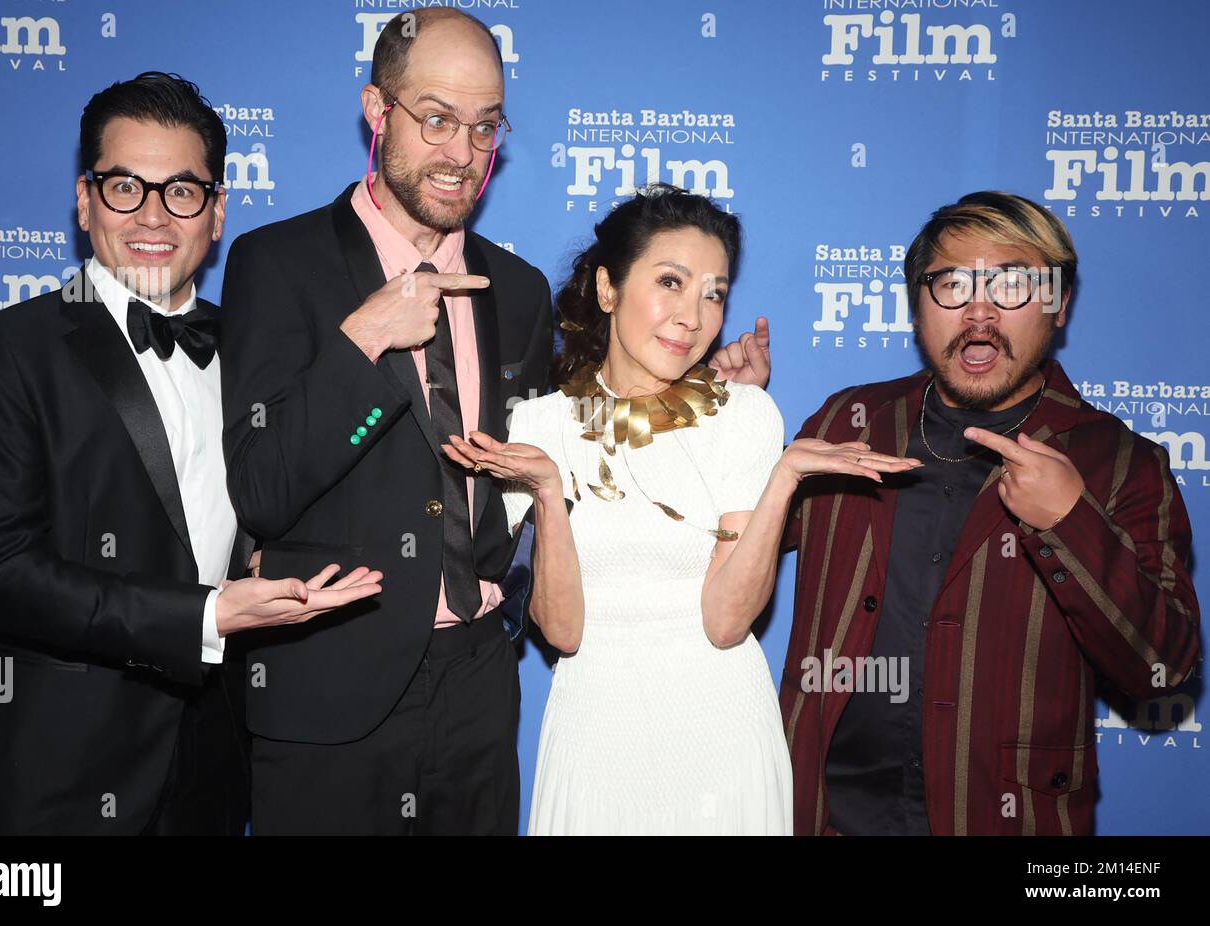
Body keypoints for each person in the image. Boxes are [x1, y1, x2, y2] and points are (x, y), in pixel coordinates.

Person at [220, 10, 768, 835]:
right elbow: (261, 490)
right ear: (378, 110)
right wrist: (364, 337)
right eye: (437, 119)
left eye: (485, 127)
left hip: (479, 687)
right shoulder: (277, 262)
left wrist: (701, 389)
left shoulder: (514, 291)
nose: (462, 152)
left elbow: (572, 430)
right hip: (333, 689)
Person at [0, 72, 379, 835]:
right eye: (124, 188)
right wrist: (204, 614)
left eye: (181, 191)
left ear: (216, 212)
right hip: (54, 782)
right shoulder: (5, 349)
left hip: (212, 771)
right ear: (83, 201)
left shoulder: (251, 345)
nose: (152, 215)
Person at [446, 185, 920, 835]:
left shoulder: (747, 417)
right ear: (608, 289)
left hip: (723, 743)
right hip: (595, 743)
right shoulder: (537, 426)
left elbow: (727, 621)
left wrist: (783, 479)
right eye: (670, 282)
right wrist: (551, 497)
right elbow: (563, 633)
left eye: (713, 292)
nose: (692, 315)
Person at [778, 191, 1201, 835]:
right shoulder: (849, 422)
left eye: (1012, 285)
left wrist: (1068, 522)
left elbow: (1162, 668)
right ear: (918, 306)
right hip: (818, 817)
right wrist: (723, 419)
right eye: (951, 284)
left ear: (1057, 305)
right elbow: (717, 551)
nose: (979, 312)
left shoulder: (1121, 463)